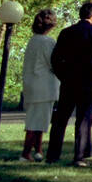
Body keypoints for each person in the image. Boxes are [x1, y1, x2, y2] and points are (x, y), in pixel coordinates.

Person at [46, 1, 92, 167]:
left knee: (61, 118)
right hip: (88, 81)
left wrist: (62, 75)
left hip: (69, 80)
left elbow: (55, 58)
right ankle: (80, 156)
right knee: (84, 119)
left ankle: (52, 154)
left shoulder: (66, 32)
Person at [20, 9, 59, 162]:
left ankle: (38, 150)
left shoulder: (32, 40)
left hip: (31, 84)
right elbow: (54, 62)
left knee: (38, 119)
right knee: (35, 121)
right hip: (44, 86)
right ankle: (25, 153)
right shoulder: (48, 42)